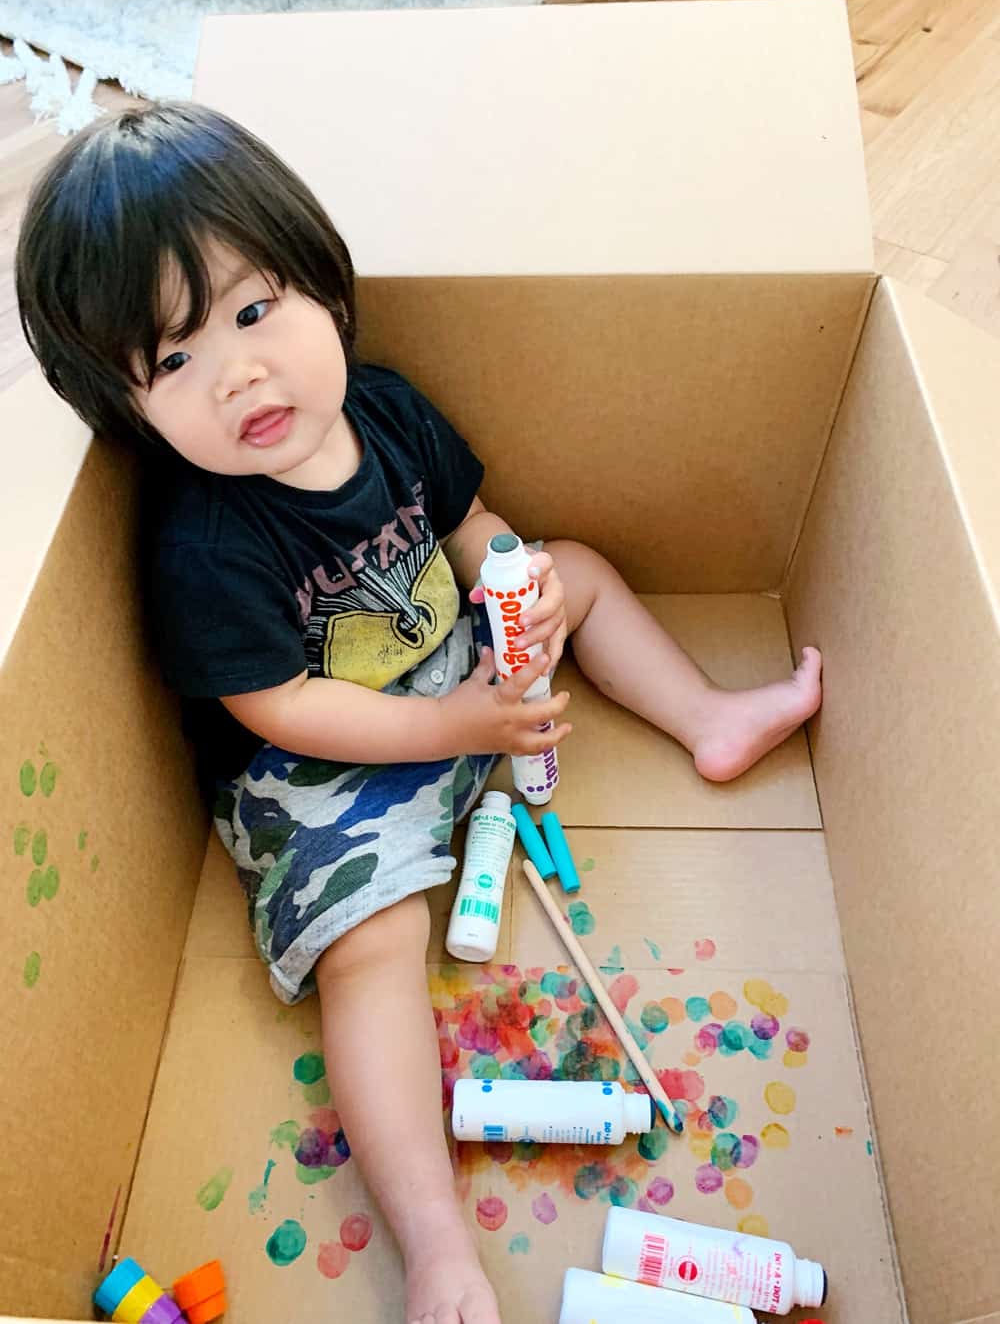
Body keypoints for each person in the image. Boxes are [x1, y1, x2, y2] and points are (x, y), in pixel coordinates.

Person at [16, 101, 822, 1324]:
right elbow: (280, 704)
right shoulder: (203, 540)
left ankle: (706, 715)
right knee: (371, 949)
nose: (237, 373)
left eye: (251, 311)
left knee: (583, 565)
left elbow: (473, 528)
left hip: (446, 671)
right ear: (126, 408)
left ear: (323, 286)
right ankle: (437, 1242)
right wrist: (455, 735)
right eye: (171, 362)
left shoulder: (384, 409)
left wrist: (527, 590)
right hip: (316, 765)